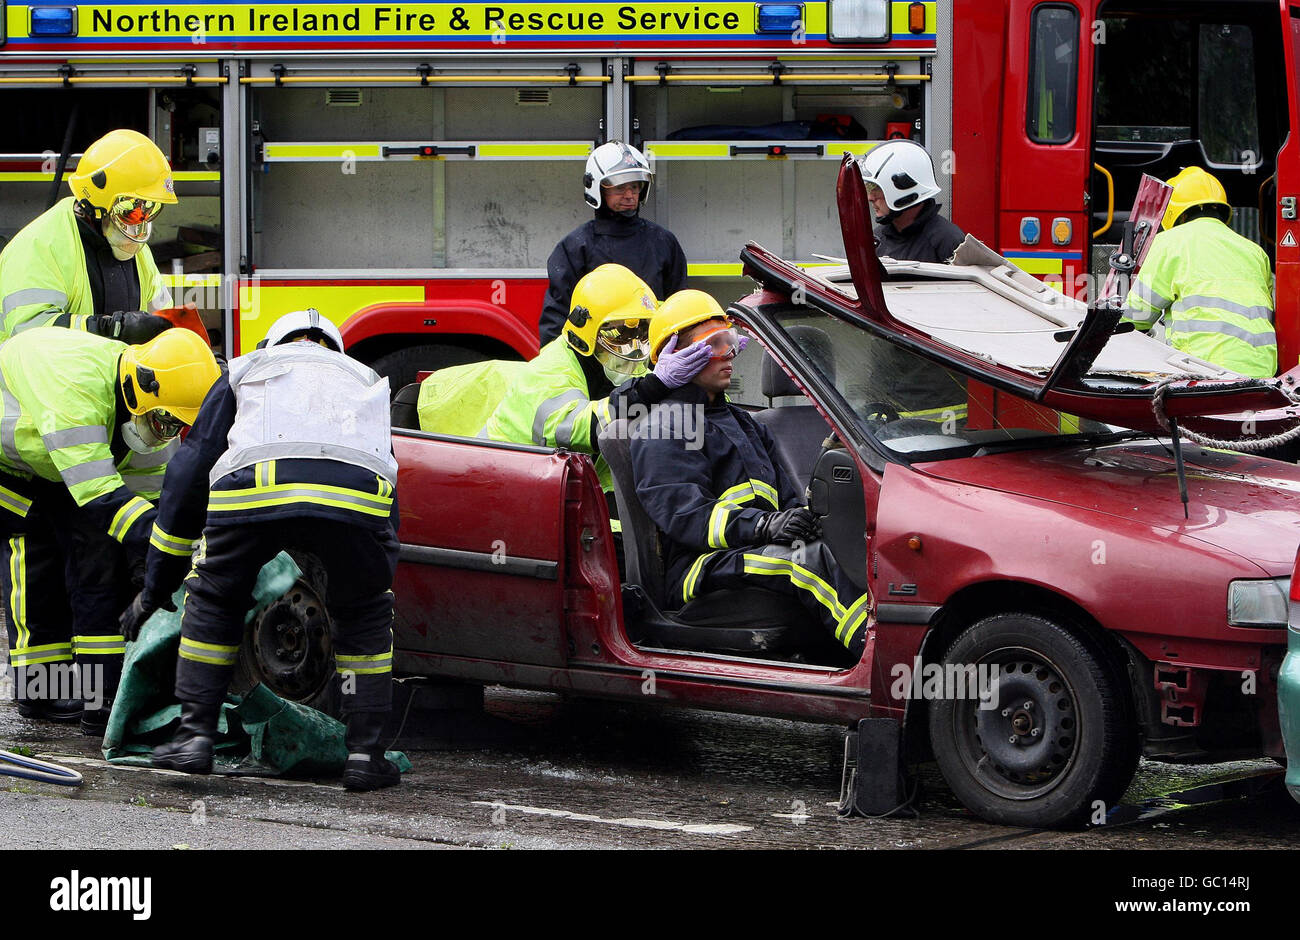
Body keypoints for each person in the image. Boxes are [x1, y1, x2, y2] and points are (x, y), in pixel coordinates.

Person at [122, 309, 404, 791]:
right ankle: (364, 755)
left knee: (216, 600)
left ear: (272, 342)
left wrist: (155, 590)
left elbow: (189, 475)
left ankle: (194, 738)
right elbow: (384, 473)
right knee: (364, 617)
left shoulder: (244, 368)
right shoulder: (365, 378)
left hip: (251, 488)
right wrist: (376, 578)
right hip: (354, 499)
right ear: (336, 350)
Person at [630, 291, 873, 660]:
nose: (729, 353)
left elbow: (788, 502)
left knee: (844, 548)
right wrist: (762, 527)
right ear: (676, 355)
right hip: (700, 565)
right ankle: (877, 661)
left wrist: (806, 523)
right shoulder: (665, 426)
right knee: (810, 562)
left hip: (748, 550)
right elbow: (686, 516)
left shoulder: (747, 423)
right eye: (714, 344)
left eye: (731, 341)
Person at [0, 327, 219, 731]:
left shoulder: (148, 407)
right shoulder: (76, 389)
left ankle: (98, 694)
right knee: (35, 561)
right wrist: (168, 550)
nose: (165, 433)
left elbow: (156, 503)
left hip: (53, 467)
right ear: (139, 390)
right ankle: (38, 691)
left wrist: (150, 561)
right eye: (165, 421)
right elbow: (101, 496)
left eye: (176, 427)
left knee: (97, 562)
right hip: (9, 468)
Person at [484, 264, 711, 499]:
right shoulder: (550, 369)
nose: (634, 347)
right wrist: (655, 386)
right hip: (503, 486)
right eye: (620, 334)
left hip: (570, 491)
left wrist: (705, 385)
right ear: (585, 332)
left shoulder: (611, 363)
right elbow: (576, 429)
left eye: (643, 332)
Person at [0, 128, 178, 344]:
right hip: (39, 378)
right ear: (98, 200)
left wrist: (192, 352)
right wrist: (109, 328)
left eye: (150, 209)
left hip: (106, 376)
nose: (141, 219)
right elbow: (30, 334)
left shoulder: (139, 255)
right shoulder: (39, 246)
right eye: (132, 208)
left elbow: (166, 323)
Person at [1123, 166, 1276, 378]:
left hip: (1205, 369)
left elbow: (1136, 317)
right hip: (1263, 371)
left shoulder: (1170, 243)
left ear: (1175, 213)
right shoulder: (1255, 251)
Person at [538, 141, 688, 345]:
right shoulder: (576, 247)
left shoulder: (663, 242)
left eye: (635, 187)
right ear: (597, 188)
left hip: (654, 359)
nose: (629, 195)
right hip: (593, 360)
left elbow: (680, 308)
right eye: (620, 187)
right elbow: (556, 318)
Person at [858, 139, 966, 263]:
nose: (870, 198)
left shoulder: (948, 241)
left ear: (904, 187)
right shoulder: (876, 240)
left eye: (877, 189)